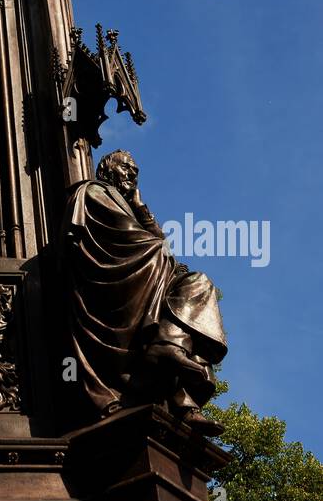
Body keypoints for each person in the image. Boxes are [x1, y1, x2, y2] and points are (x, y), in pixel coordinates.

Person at [60, 149, 227, 434]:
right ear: (107, 171)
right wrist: (162, 256)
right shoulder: (94, 192)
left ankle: (170, 359)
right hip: (112, 284)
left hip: (142, 278)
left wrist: (140, 207)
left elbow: (158, 244)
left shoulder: (130, 207)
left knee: (200, 283)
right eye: (126, 167)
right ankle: (171, 367)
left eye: (136, 171)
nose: (132, 174)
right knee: (172, 270)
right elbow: (134, 241)